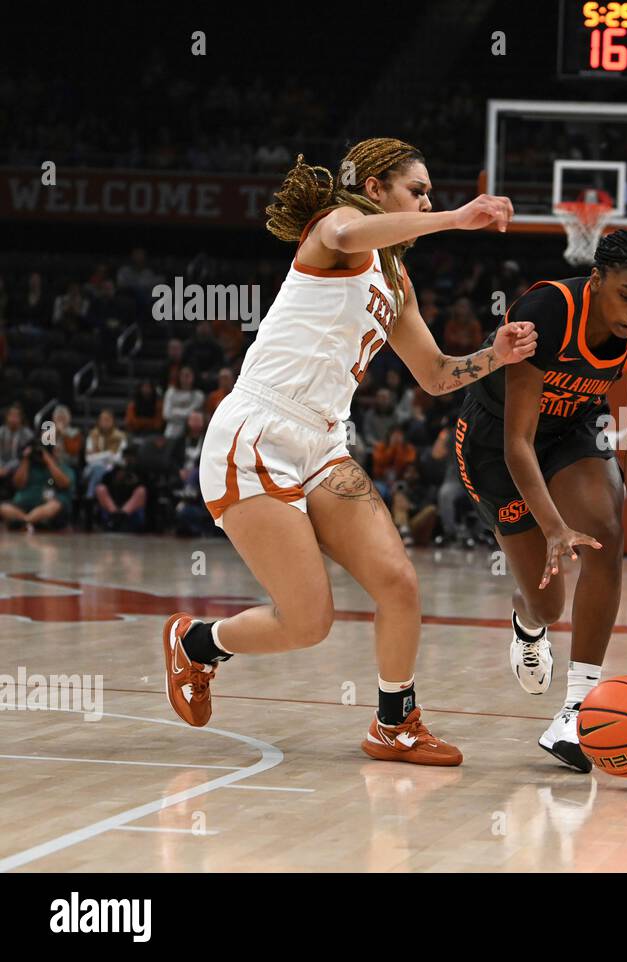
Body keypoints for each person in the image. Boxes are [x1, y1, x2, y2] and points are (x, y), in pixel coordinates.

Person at [165, 138, 535, 769]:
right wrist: (453, 219)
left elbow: (437, 375)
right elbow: (345, 231)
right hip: (256, 437)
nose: (427, 201)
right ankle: (198, 644)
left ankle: (394, 722)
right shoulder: (333, 229)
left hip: (324, 445)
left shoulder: (395, 278)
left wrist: (493, 356)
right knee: (310, 622)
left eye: (432, 197)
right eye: (417, 190)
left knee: (398, 581)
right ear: (373, 186)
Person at [455, 229, 627, 772]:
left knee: (608, 534)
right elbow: (518, 443)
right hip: (496, 443)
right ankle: (527, 621)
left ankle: (577, 706)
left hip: (571, 431)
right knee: (547, 603)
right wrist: (552, 527)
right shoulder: (546, 310)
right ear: (596, 282)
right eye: (626, 296)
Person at [0, 438, 76, 531]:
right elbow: (18, 484)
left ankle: (24, 522)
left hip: (47, 506)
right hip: (22, 507)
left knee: (54, 505)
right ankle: (32, 522)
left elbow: (64, 484)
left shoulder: (61, 466)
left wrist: (48, 460)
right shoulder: (27, 465)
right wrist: (26, 459)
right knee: (3, 508)